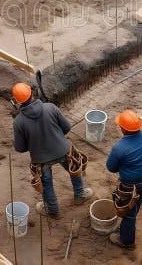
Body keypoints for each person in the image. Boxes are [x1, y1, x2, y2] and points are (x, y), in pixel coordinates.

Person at [12, 83, 93, 218]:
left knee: (46, 184)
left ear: (17, 101)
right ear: (32, 94)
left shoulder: (19, 122)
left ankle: (53, 211)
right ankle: (79, 195)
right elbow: (66, 127)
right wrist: (55, 136)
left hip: (41, 159)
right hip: (63, 149)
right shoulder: (50, 107)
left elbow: (20, 148)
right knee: (74, 168)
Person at [106, 110, 142, 250]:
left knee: (129, 214)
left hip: (134, 186)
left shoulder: (119, 147)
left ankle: (127, 242)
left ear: (123, 129)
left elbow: (111, 168)